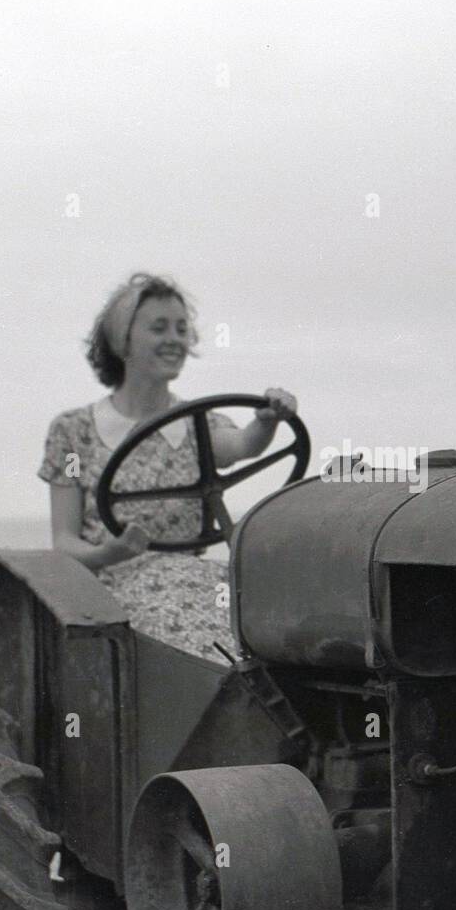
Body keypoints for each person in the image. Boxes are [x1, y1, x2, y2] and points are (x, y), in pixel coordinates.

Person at [38, 272, 297, 659]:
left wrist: (267, 419)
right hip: (113, 586)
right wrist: (111, 552)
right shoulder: (74, 432)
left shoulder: (196, 423)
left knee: (278, 621)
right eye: (159, 328)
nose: (175, 340)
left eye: (181, 329)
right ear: (121, 339)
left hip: (194, 576)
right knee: (204, 645)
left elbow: (243, 445)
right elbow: (65, 542)